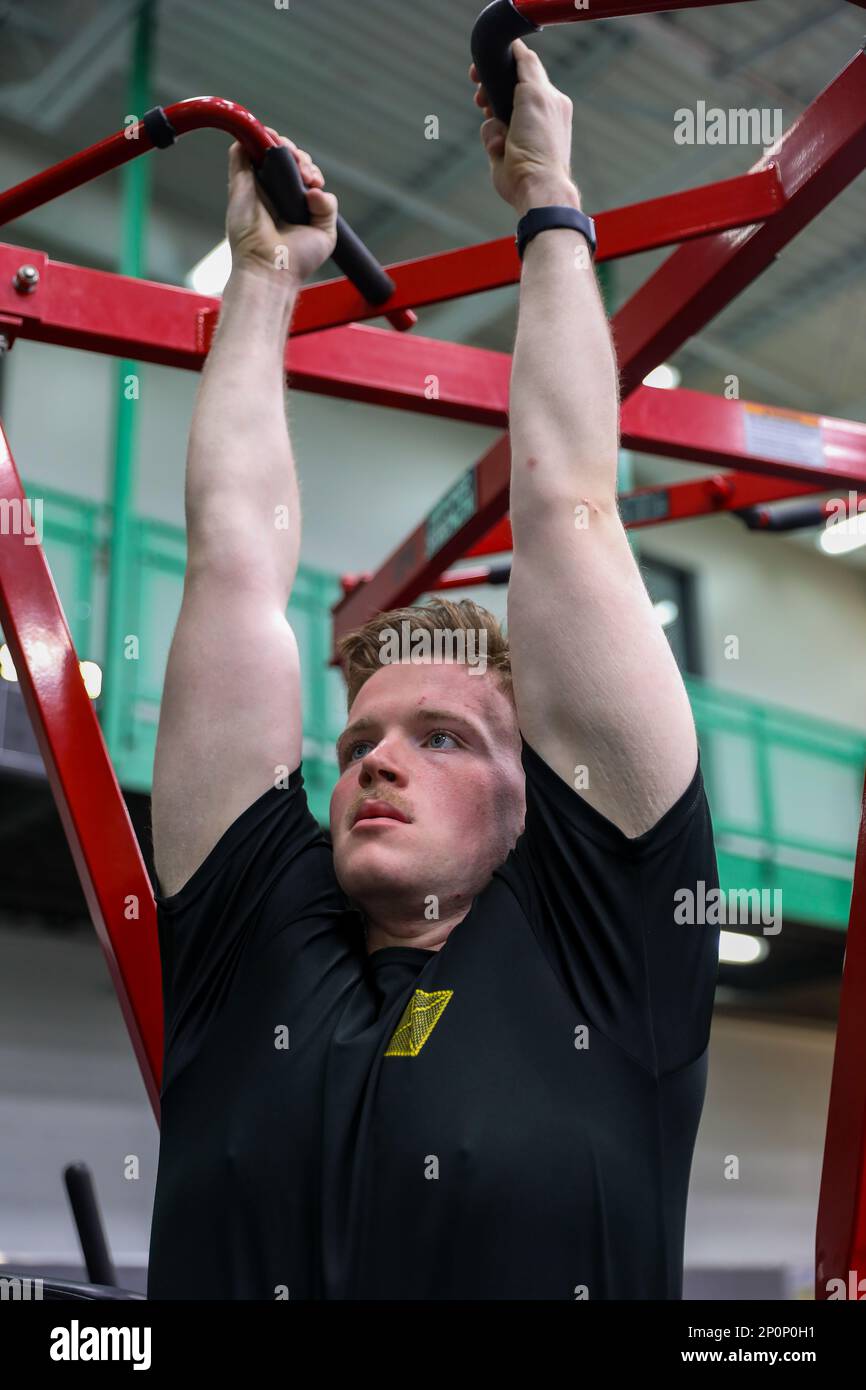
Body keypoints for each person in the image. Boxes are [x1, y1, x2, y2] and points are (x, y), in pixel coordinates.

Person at [146, 39, 720, 1301]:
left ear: (538, 799)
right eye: (357, 747)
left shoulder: (599, 947)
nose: (379, 763)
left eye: (445, 737)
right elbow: (233, 561)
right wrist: (256, 283)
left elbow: (567, 502)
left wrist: (548, 205)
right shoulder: (257, 945)